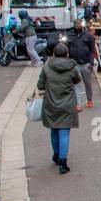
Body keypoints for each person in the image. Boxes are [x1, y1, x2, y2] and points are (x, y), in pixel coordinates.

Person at [37, 42, 80, 175]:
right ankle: (63, 162)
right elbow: (77, 80)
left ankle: (56, 154)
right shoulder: (72, 67)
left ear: (53, 54)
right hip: (67, 103)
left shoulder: (47, 67)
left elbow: (40, 85)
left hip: (50, 102)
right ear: (67, 54)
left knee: (54, 129)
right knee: (64, 132)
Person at [68, 16, 97, 110]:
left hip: (86, 63)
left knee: (87, 83)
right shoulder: (70, 36)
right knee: (76, 84)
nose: (77, 25)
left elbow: (92, 50)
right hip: (75, 64)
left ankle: (89, 100)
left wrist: (91, 63)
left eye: (79, 23)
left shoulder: (88, 36)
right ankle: (78, 104)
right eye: (75, 23)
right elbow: (67, 49)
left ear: (82, 25)